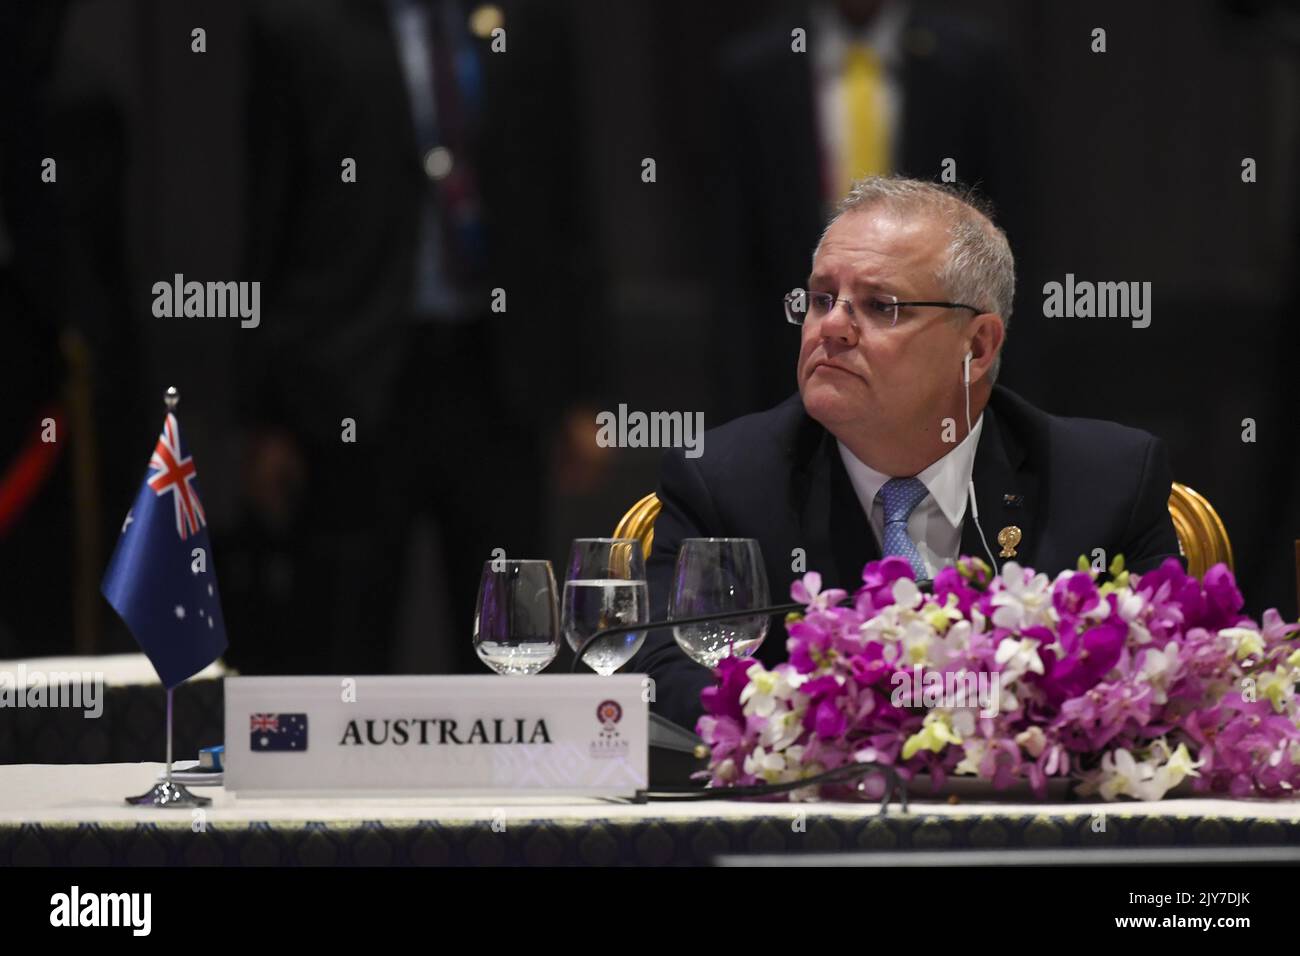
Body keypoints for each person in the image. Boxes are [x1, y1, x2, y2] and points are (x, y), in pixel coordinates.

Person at [633, 176, 1181, 730]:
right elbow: (660, 671)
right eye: (822, 299)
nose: (832, 327)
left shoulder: (1105, 481)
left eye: (880, 306)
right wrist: (834, 724)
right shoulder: (725, 481)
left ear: (978, 345)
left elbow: (1159, 677)